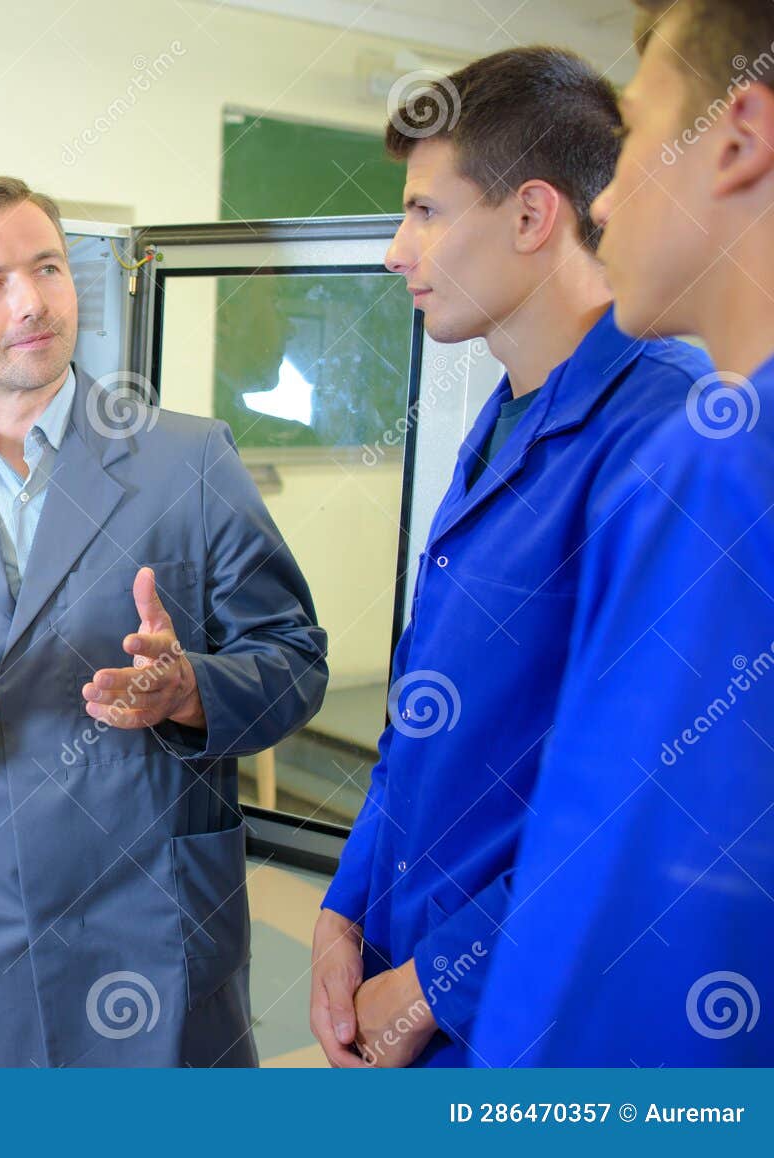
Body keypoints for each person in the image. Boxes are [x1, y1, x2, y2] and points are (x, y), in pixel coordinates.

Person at [0, 174, 327, 1066]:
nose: (33, 302)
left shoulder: (187, 460)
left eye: (47, 268)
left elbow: (293, 661)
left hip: (147, 906)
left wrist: (189, 690)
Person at [310, 47, 713, 1067]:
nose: (396, 249)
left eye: (425, 212)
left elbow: (648, 800)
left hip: (531, 1015)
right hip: (412, 961)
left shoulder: (668, 431)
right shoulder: (506, 415)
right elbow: (430, 720)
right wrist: (347, 904)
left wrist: (437, 985)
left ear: (533, 216)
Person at [474, 1, 774, 1066]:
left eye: (638, 134)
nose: (603, 194)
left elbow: (614, 931)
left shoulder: (717, 468)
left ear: (736, 138)